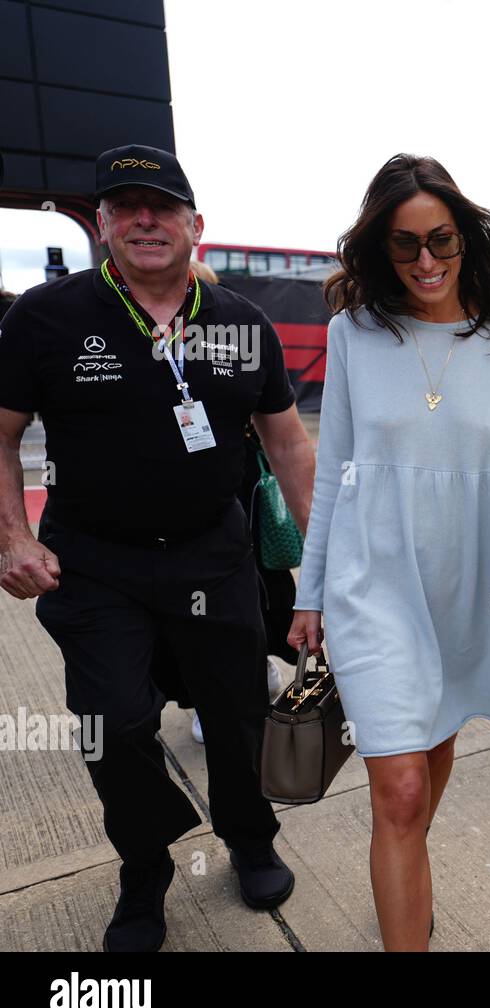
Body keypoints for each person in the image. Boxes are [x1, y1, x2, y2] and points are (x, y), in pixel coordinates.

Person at [0, 144, 315, 951]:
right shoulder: (45, 318)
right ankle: (144, 870)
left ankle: (251, 839)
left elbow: (288, 448)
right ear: (102, 224)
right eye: (127, 206)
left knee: (239, 714)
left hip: (213, 557)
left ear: (194, 225)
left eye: (163, 206)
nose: (146, 219)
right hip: (94, 563)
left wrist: (321, 568)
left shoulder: (242, 325)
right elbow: (2, 437)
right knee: (114, 720)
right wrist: (12, 535)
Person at [288, 154, 490, 952]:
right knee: (397, 791)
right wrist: (311, 592)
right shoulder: (353, 333)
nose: (427, 261)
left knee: (428, 762)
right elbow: (334, 468)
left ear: (467, 237)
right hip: (375, 585)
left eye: (441, 240)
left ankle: (404, 871)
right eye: (405, 246)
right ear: (380, 250)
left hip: (468, 584)